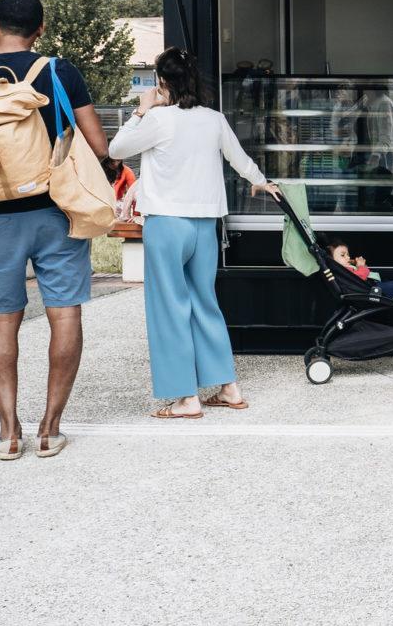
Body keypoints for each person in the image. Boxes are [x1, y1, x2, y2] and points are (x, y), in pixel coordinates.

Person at [0, 0, 122, 461]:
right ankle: (50, 429)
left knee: (2, 319)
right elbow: (98, 144)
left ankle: (8, 432)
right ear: (39, 29)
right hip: (57, 210)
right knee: (65, 314)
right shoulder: (57, 72)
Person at [108, 48, 279, 419]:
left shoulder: (158, 120)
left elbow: (116, 149)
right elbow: (239, 159)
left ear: (161, 81)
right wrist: (263, 183)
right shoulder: (213, 119)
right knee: (205, 302)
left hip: (167, 224)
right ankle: (229, 387)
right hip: (206, 224)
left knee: (169, 308)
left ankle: (186, 398)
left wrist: (141, 109)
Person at [324, 240, 393, 326]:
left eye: (347, 254)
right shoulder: (343, 270)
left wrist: (359, 267)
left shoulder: (345, 268)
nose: (347, 257)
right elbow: (361, 276)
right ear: (332, 260)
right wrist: (361, 266)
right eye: (342, 255)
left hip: (369, 288)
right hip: (368, 292)